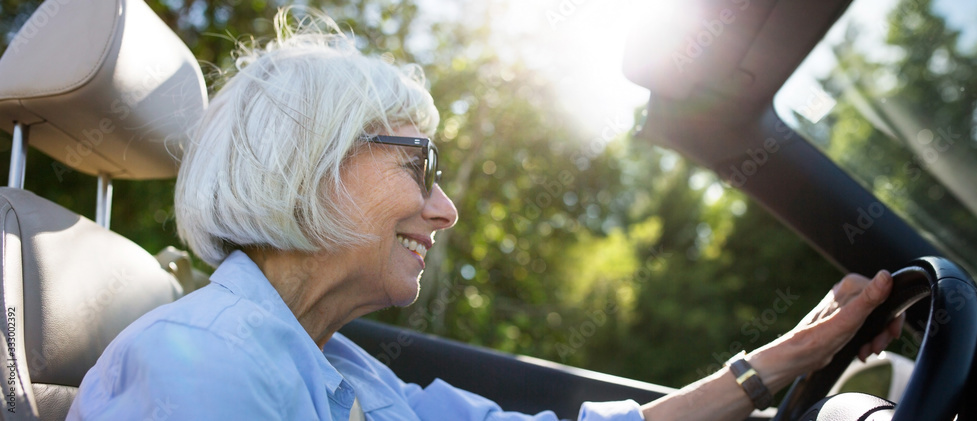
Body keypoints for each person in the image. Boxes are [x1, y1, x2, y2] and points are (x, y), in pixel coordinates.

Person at [68, 9, 904, 421]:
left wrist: (788, 356)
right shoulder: (199, 366)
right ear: (309, 168)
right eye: (418, 164)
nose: (447, 207)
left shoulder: (348, 374)